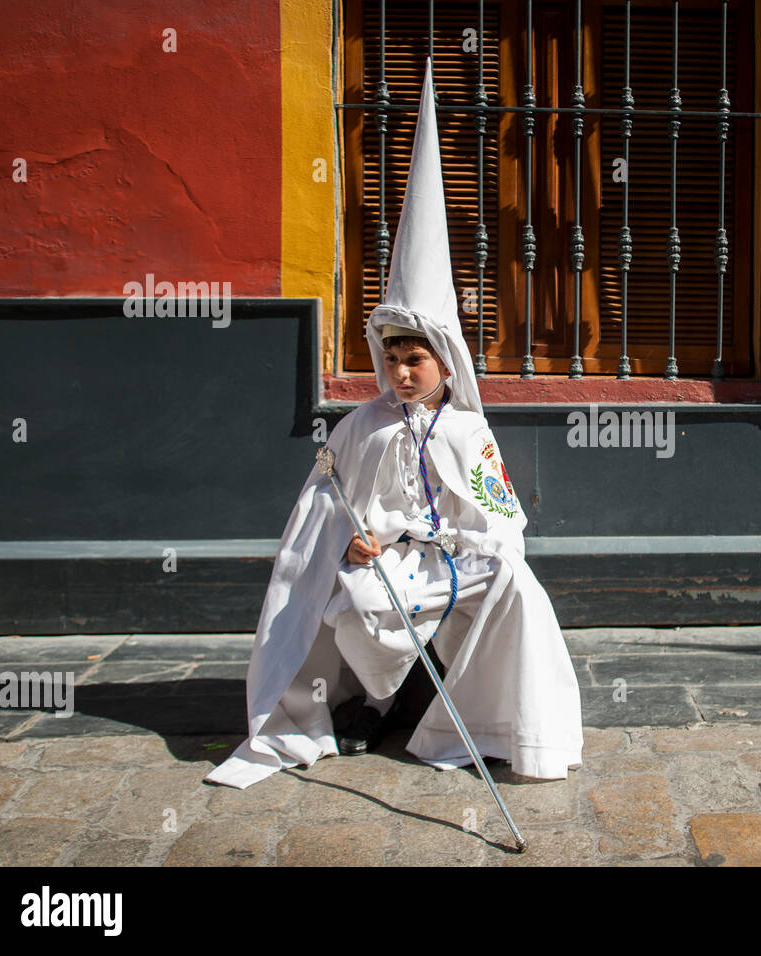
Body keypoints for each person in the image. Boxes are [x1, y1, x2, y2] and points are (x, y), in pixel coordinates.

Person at [204, 56, 583, 789]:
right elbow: (322, 515)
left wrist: (481, 546)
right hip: (386, 565)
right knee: (365, 604)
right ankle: (376, 700)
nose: (403, 370)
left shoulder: (468, 429)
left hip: (456, 560)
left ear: (446, 360)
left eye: (418, 357)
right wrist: (354, 543)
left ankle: (484, 721)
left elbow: (500, 513)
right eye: (393, 356)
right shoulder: (364, 425)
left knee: (516, 589)